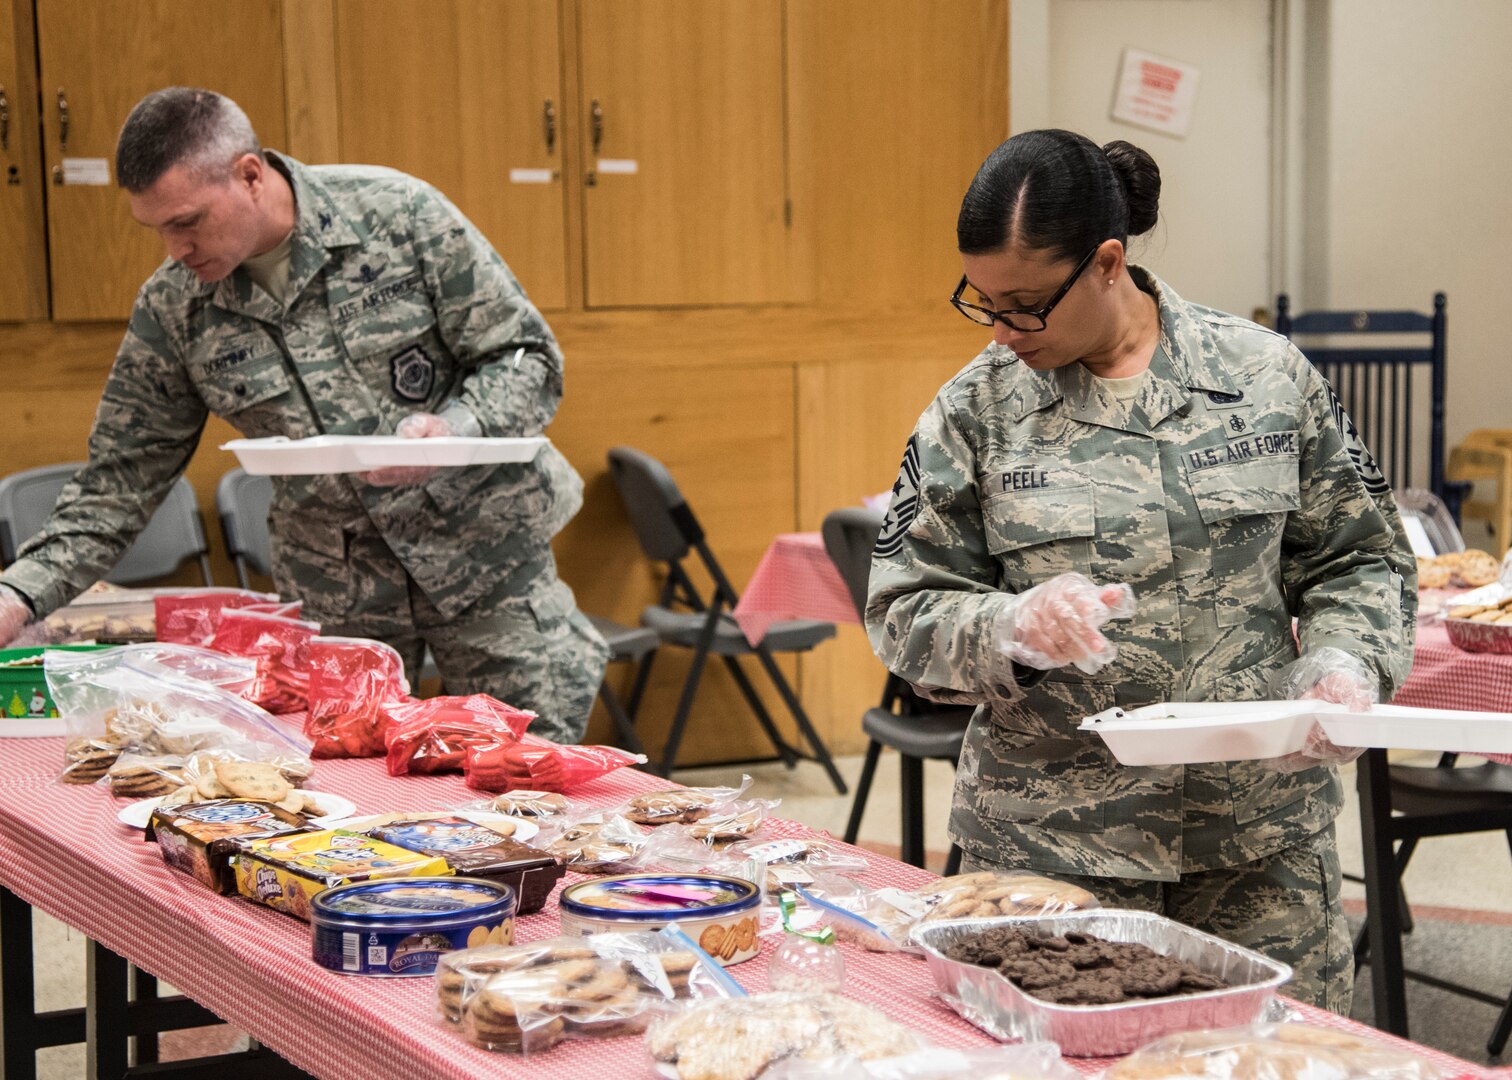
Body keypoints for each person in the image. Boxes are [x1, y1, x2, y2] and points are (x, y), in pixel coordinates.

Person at [866, 129, 1415, 1012]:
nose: (1003, 333)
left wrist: (1346, 663)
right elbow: (902, 609)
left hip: (1259, 843)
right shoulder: (974, 413)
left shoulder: (1267, 377)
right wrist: (1005, 626)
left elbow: (1361, 558)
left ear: (1108, 264)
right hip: (1054, 850)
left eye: (1027, 305)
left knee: (1280, 1062)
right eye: (984, 303)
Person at [0, 87, 607, 743]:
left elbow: (527, 357)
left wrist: (457, 428)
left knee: (529, 785)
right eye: (158, 230)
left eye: (187, 221)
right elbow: (119, 481)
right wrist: (20, 595)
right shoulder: (177, 308)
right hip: (341, 598)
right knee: (360, 811)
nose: (175, 247)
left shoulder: (399, 216)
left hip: (487, 569)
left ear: (250, 175)